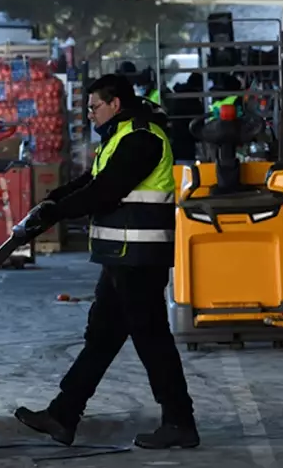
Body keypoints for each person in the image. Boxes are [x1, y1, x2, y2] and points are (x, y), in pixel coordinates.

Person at [15, 74, 199, 450]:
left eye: (94, 107)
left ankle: (180, 421)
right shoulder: (121, 135)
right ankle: (63, 414)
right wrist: (52, 200)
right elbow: (92, 180)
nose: (90, 115)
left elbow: (106, 190)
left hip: (139, 259)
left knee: (152, 340)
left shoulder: (142, 138)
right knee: (102, 337)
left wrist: (56, 212)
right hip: (121, 257)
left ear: (115, 103)